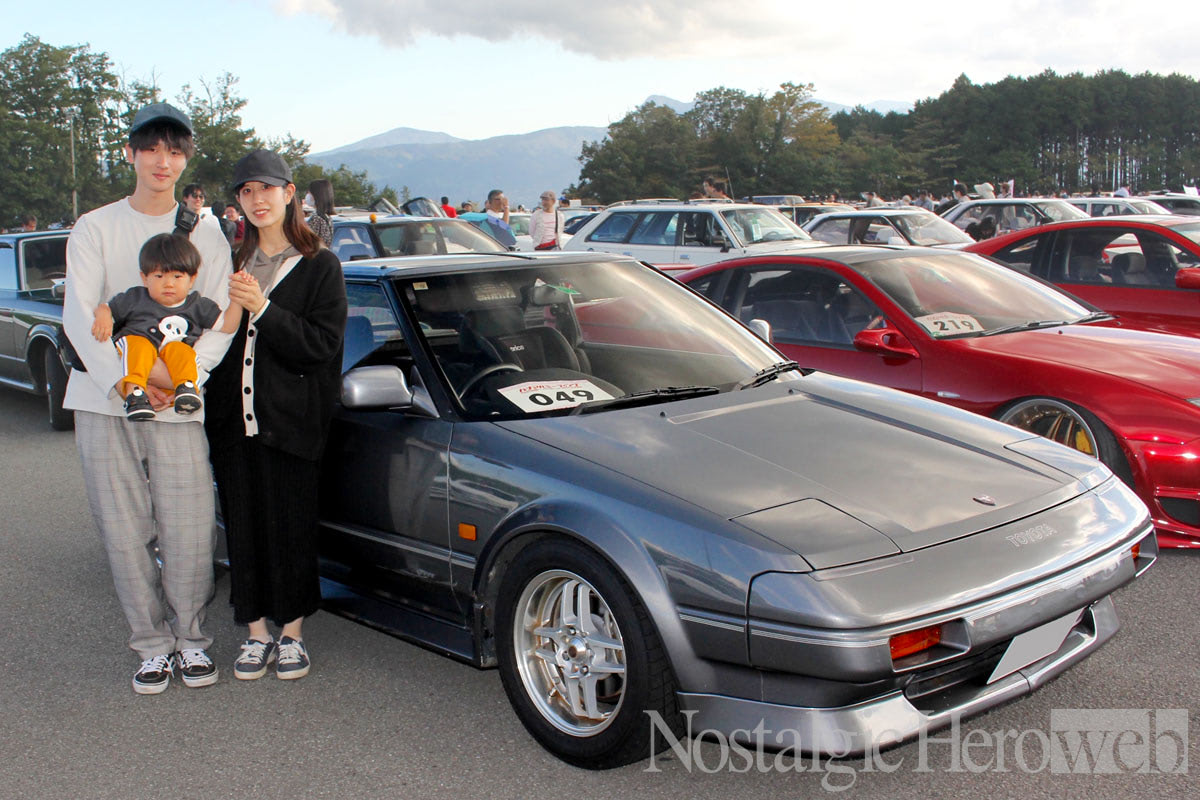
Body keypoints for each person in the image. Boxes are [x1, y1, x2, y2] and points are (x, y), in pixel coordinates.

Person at [62, 101, 234, 694]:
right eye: (152, 148)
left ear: (186, 159)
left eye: (176, 150)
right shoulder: (95, 226)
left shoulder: (207, 232)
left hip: (182, 401)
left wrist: (182, 382)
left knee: (189, 525)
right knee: (123, 527)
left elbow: (219, 322)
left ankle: (191, 639)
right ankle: (152, 645)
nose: (164, 161)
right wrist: (128, 381)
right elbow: (80, 315)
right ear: (131, 153)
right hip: (104, 399)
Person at [205, 148, 346, 682]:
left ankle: (291, 634)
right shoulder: (230, 265)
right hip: (232, 423)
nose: (257, 199)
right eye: (246, 191)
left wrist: (262, 308)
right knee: (243, 525)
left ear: (290, 194)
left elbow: (320, 346)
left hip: (292, 423)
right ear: (238, 203)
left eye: (267, 188)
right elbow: (209, 335)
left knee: (290, 526)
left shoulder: (319, 266)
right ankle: (255, 634)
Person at [90, 233, 245, 420]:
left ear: (192, 279)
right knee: (137, 345)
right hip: (137, 359)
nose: (168, 284)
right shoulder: (135, 298)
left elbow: (227, 326)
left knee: (182, 350)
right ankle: (134, 395)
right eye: (159, 275)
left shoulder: (197, 305)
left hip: (170, 369)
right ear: (144, 278)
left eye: (177, 276)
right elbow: (106, 307)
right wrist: (103, 316)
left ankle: (186, 388)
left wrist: (237, 299)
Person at [304, 179, 335, 246]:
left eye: (309, 192)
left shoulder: (316, 219)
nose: (307, 195)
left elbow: (308, 243)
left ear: (317, 195)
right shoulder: (328, 218)